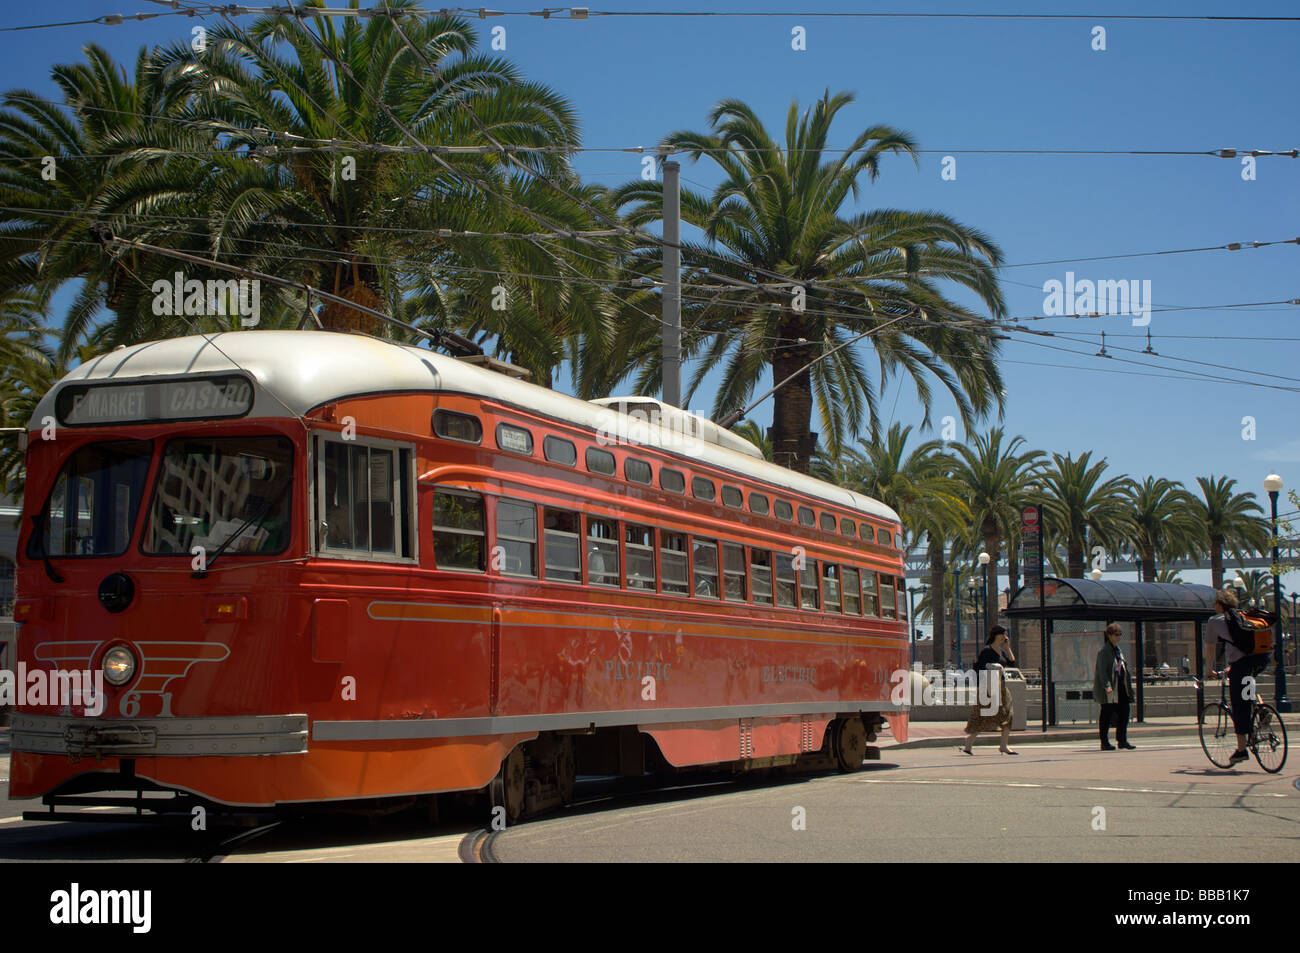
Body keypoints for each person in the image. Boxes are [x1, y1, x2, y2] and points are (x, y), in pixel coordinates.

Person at [1205, 588, 1266, 765]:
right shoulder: (1243, 616)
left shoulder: (1215, 621)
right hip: (1259, 659)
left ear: (1219, 604)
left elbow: (1210, 648)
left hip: (1242, 664)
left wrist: (1209, 670)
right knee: (1249, 684)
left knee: (1239, 706)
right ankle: (1261, 709)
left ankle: (1241, 750)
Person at [959, 626, 1017, 755]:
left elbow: (1012, 663)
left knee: (1008, 714)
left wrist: (1007, 648)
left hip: (1001, 687)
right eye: (1003, 634)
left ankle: (1004, 745)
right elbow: (978, 667)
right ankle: (969, 742)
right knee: (983, 716)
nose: (1005, 637)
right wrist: (990, 667)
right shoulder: (987, 651)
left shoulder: (1001, 650)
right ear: (996, 635)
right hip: (988, 687)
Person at [1094, 623, 1136, 750]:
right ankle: (1104, 742)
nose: (1118, 637)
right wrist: (1107, 686)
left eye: (1120, 635)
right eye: (1116, 635)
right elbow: (1102, 671)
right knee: (1106, 715)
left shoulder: (1118, 650)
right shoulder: (1104, 652)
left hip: (1121, 687)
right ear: (1109, 635)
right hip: (1110, 689)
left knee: (1124, 713)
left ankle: (1122, 740)